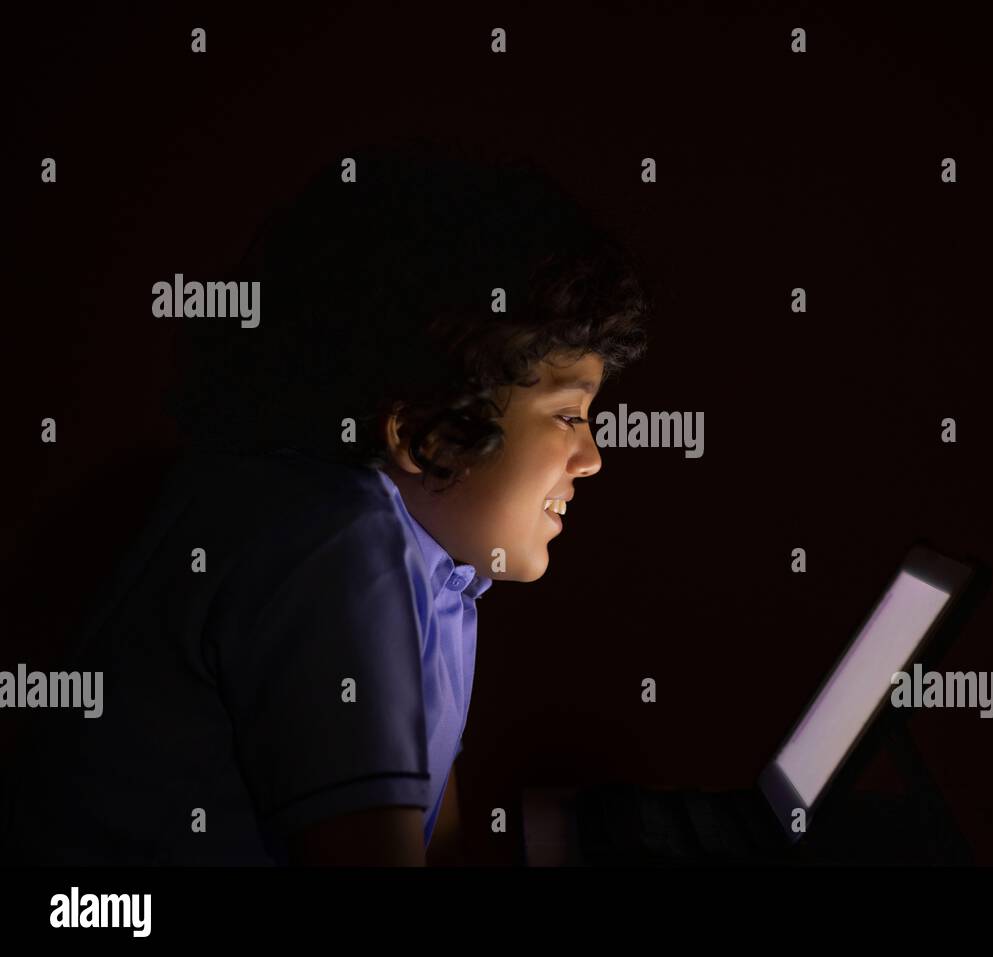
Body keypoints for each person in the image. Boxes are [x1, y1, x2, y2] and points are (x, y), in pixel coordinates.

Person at [0, 143, 652, 865]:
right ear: (425, 432)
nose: (591, 458)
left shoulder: (438, 577)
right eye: (568, 416)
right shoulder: (333, 545)